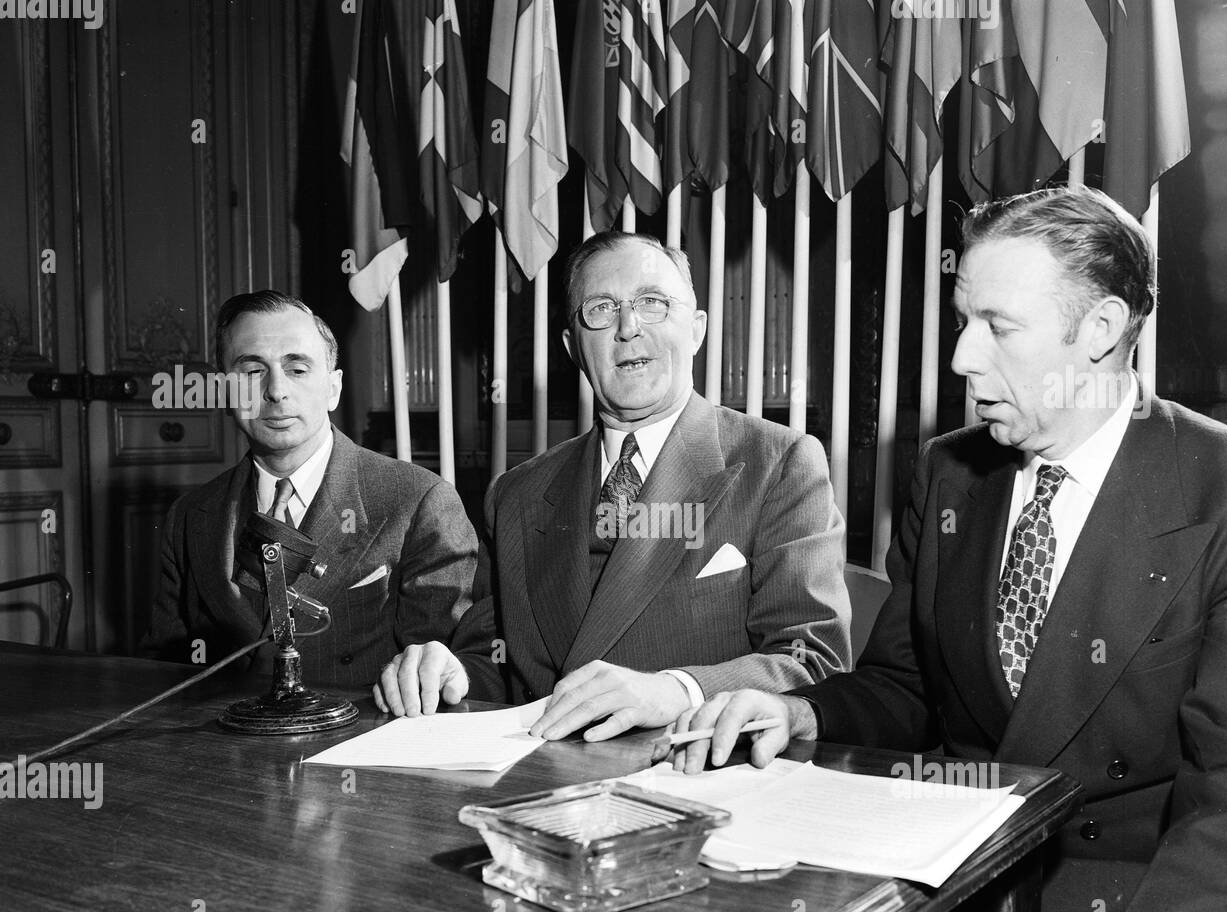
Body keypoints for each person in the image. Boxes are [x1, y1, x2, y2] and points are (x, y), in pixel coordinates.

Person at [666, 186, 1227, 912]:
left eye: (998, 326)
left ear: (1102, 328)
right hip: (962, 889)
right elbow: (906, 689)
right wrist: (800, 711)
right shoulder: (949, 473)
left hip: (1165, 906)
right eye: (965, 320)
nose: (962, 357)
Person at [374, 231, 850, 742]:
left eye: (652, 303)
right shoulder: (515, 494)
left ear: (696, 330)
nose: (628, 328)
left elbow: (814, 658)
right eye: (600, 308)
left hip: (698, 777)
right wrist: (450, 675)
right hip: (544, 780)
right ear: (572, 347)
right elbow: (498, 659)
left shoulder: (778, 463)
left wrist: (678, 690)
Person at [143, 290, 477, 691]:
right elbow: (161, 674)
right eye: (252, 372)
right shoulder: (189, 515)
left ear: (333, 388)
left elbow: (441, 674)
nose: (276, 391)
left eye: (297, 369)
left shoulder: (418, 500)